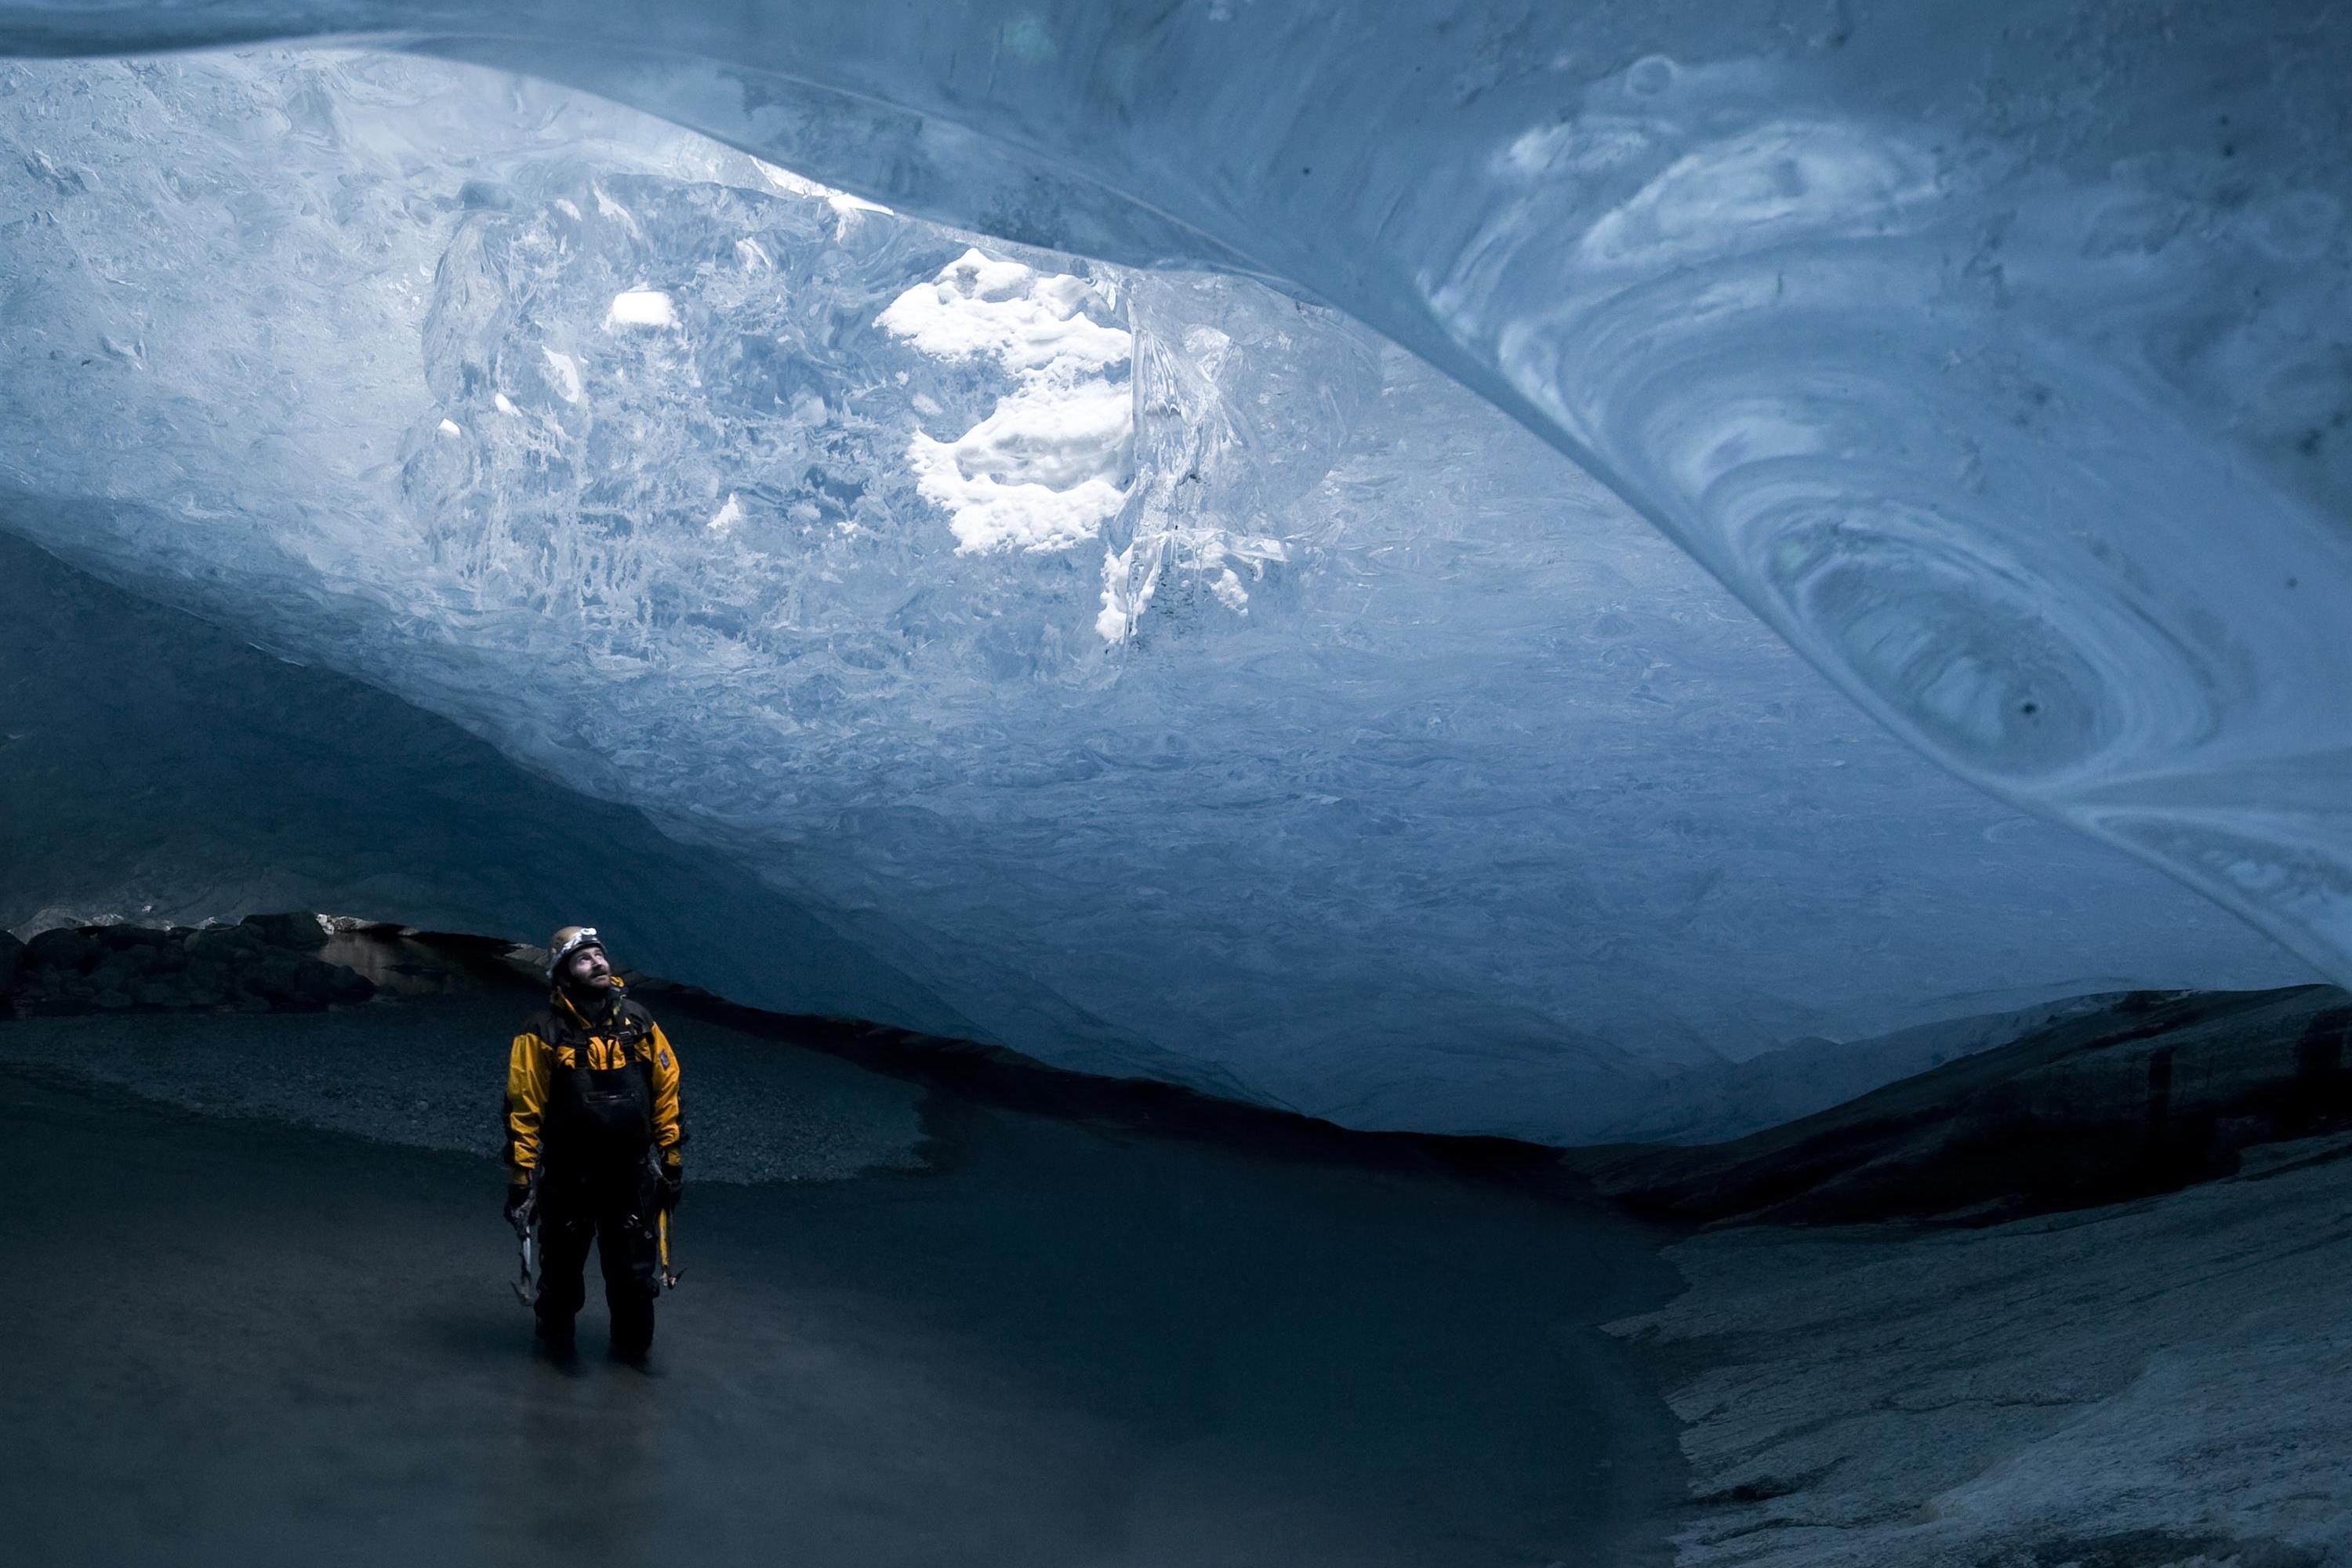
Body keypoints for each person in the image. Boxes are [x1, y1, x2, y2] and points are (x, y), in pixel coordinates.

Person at [502, 925, 684, 1359]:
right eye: (584, 958)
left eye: (599, 954)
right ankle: (553, 1367)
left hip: (630, 1174)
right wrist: (521, 1180)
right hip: (569, 1176)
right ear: (563, 974)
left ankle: (633, 1368)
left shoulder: (639, 1022)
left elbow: (667, 1089)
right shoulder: (540, 1031)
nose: (598, 963)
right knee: (561, 1277)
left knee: (635, 1280)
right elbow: (522, 1108)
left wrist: (672, 1160)